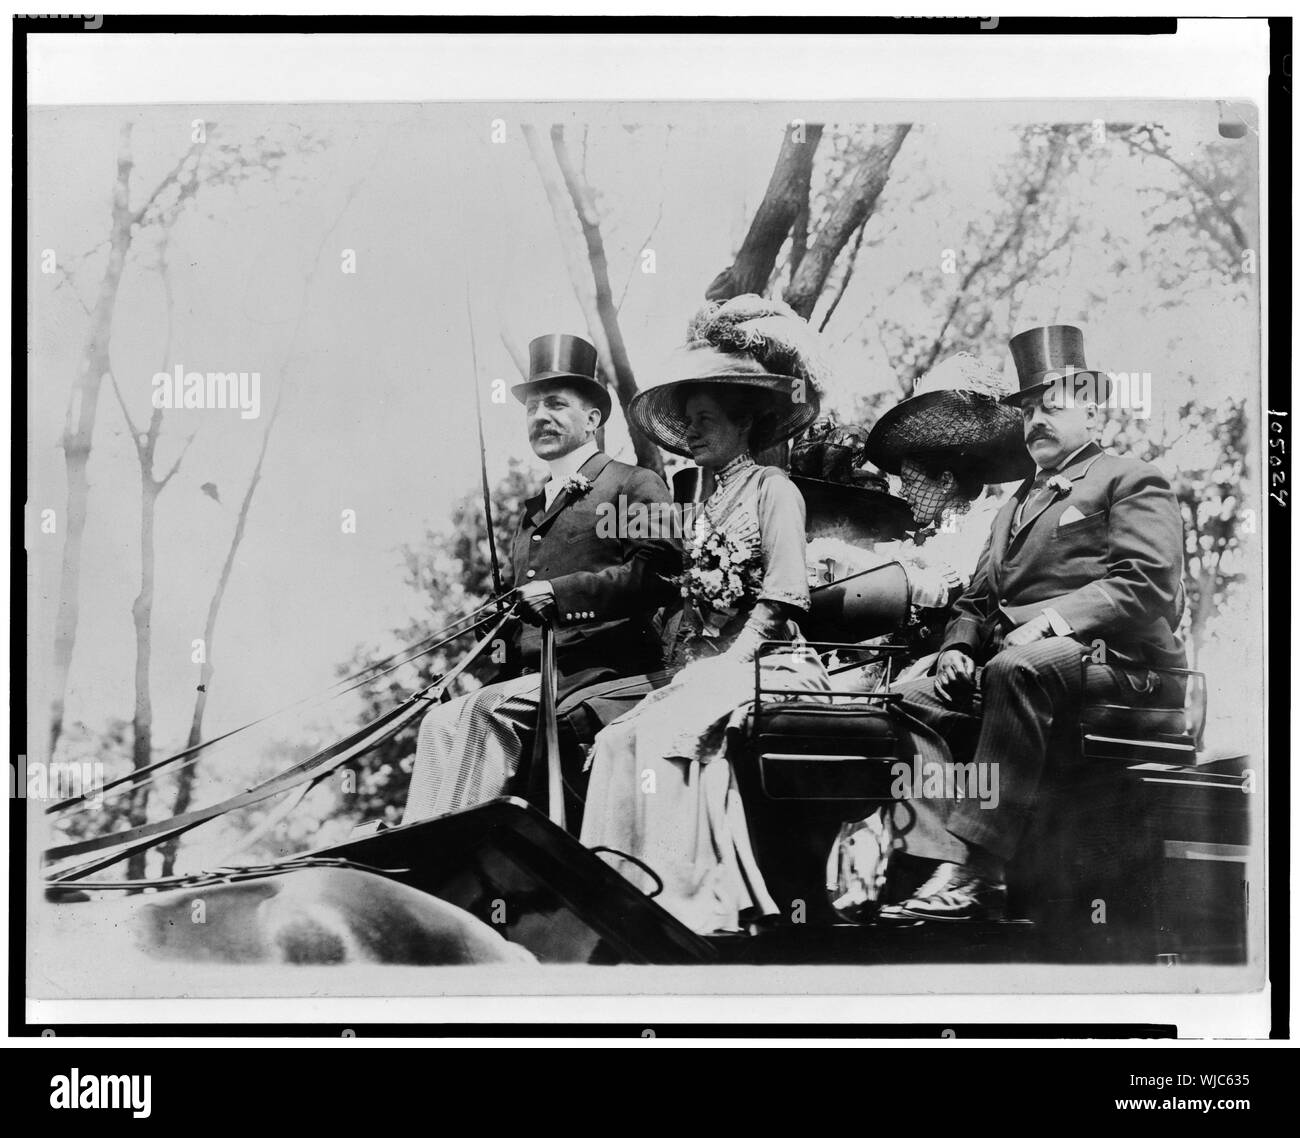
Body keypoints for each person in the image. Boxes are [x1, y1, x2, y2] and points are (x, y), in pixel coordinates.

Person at [877, 325, 1187, 923]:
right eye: (1027, 410)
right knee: (906, 698)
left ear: (1093, 411)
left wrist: (1048, 625)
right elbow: (976, 599)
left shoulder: (1129, 478)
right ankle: (938, 860)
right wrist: (956, 649)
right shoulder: (1012, 507)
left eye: (1053, 404)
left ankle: (977, 869)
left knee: (1019, 667)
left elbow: (1146, 582)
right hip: (1038, 671)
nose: (1036, 419)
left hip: (1125, 669)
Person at [577, 295, 828, 935]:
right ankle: (624, 894)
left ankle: (691, 898)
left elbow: (785, 595)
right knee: (614, 739)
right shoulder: (701, 506)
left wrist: (726, 665)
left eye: (706, 417)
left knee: (665, 736)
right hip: (708, 671)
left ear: (745, 421)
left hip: (774, 665)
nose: (692, 432)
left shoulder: (775, 490)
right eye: (687, 420)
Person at [402, 334, 681, 824]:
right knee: (441, 718)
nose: (539, 417)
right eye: (531, 407)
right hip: (534, 679)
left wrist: (559, 594)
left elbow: (657, 574)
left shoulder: (634, 484)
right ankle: (422, 844)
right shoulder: (533, 511)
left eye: (555, 404)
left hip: (606, 672)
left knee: (484, 711)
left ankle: (469, 845)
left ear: (593, 419)